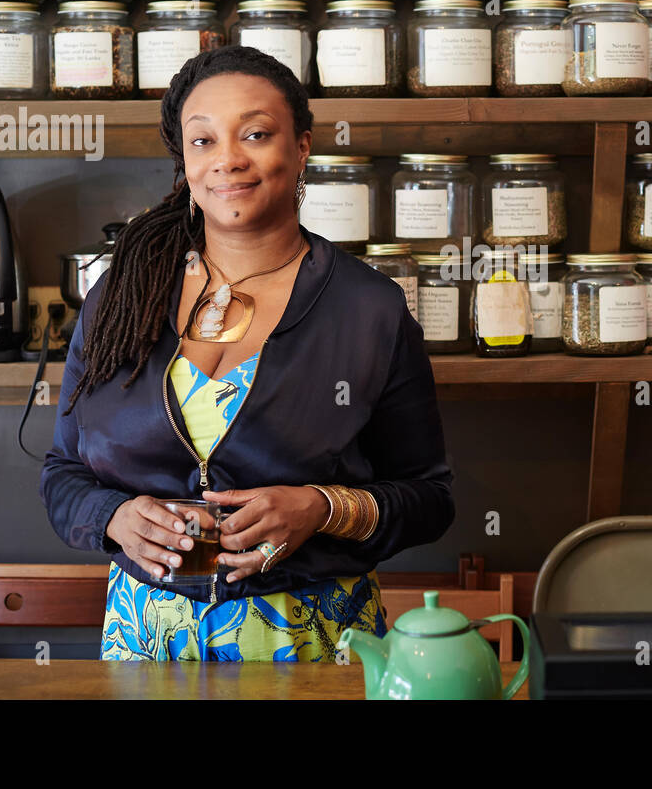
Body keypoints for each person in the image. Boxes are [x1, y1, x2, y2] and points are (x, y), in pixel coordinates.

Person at [40, 45, 454, 661]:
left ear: (302, 146)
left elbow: (429, 499)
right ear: (184, 159)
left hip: (316, 640)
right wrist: (114, 517)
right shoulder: (121, 295)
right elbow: (62, 472)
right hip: (148, 641)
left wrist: (323, 507)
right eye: (203, 141)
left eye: (256, 134)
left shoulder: (370, 308)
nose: (228, 160)